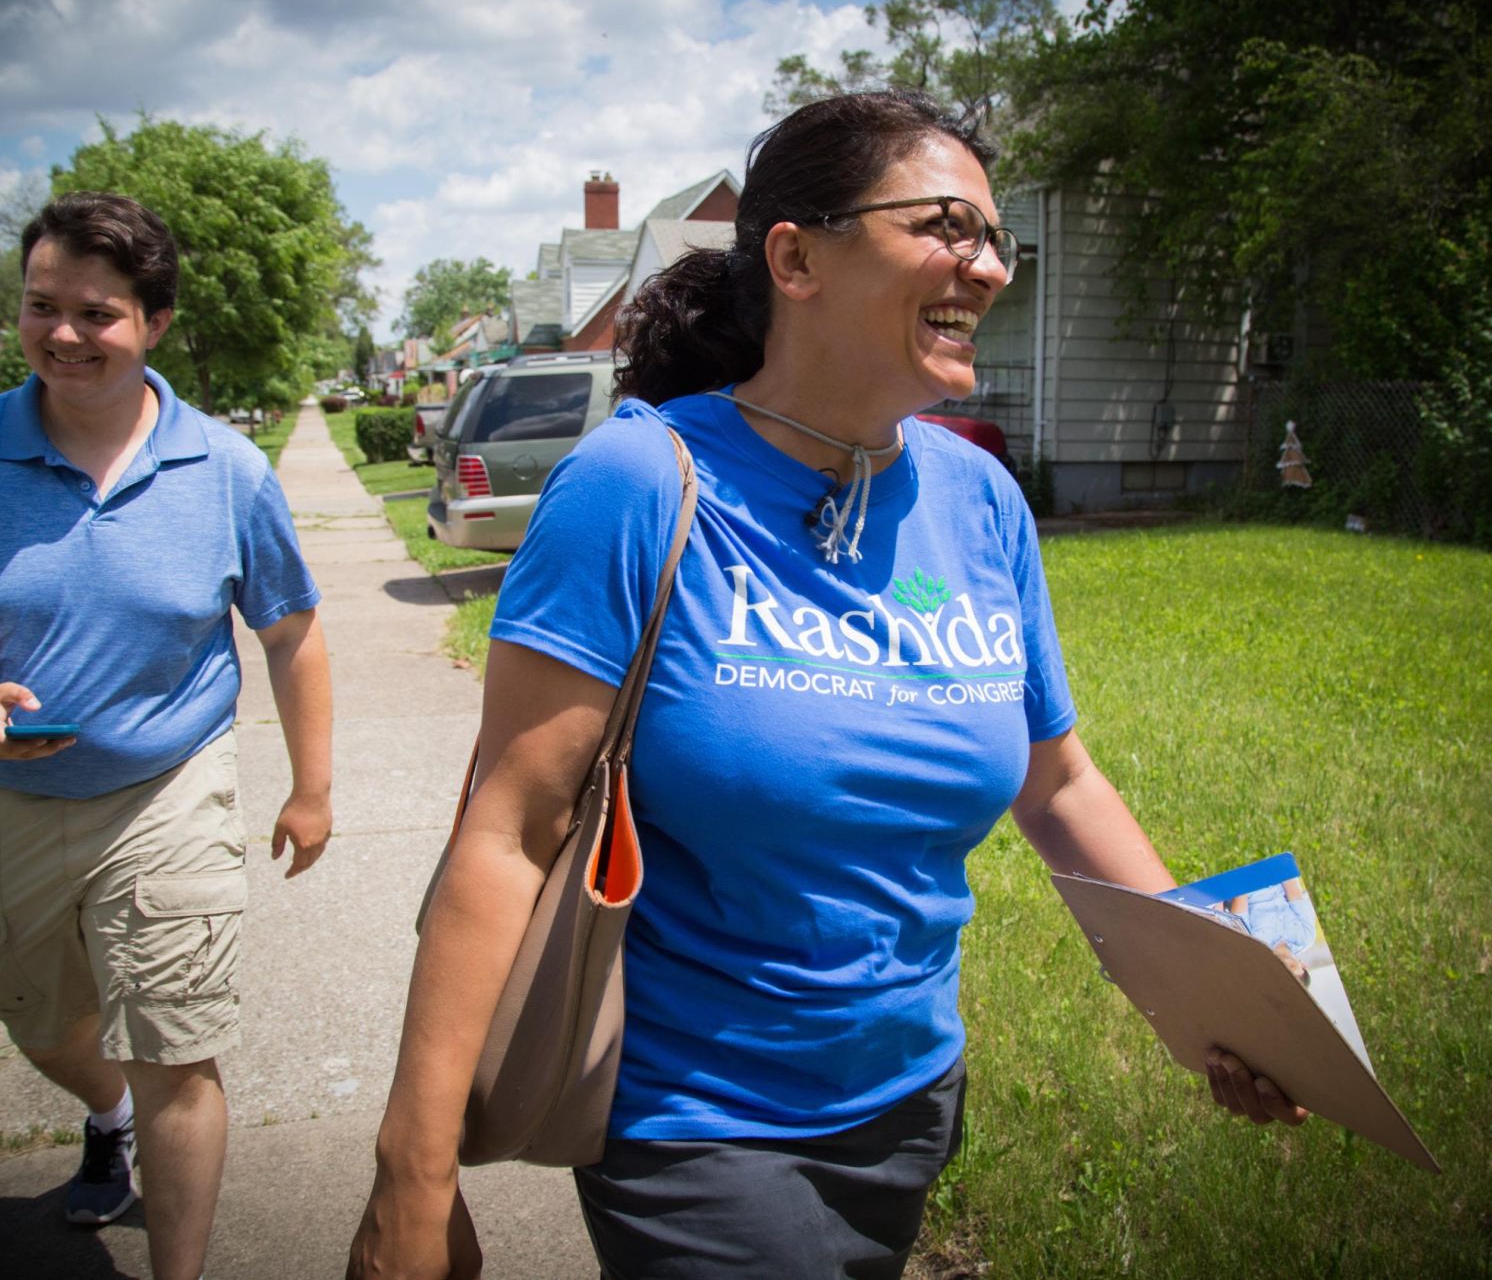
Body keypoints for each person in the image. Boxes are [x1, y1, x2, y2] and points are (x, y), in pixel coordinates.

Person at [347, 91, 1299, 1280]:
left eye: (997, 238)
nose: (990, 267)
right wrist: (411, 1179)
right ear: (795, 257)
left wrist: (1222, 1003)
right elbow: (505, 834)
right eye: (948, 226)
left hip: (910, 1101)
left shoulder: (976, 499)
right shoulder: (641, 482)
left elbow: (1057, 783)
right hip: (698, 1124)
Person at [0, 191, 333, 1280]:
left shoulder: (227, 472)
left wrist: (313, 788)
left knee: (176, 1048)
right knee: (22, 1005)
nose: (64, 333)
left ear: (153, 322)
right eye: (41, 306)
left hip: (170, 787)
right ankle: (103, 1112)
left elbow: (291, 635)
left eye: (98, 313)